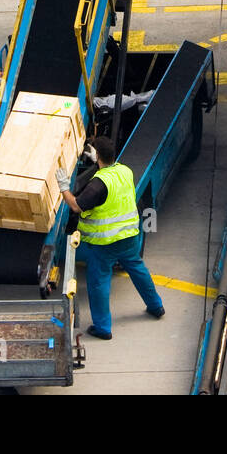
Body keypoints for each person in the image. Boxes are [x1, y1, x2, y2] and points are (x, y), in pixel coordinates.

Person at [61, 135, 164, 340]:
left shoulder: (97, 184)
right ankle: (156, 306)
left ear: (96, 155)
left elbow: (76, 205)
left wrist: (64, 187)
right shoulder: (125, 170)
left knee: (99, 281)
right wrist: (98, 160)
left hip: (105, 243)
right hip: (129, 236)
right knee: (137, 268)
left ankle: (103, 328)